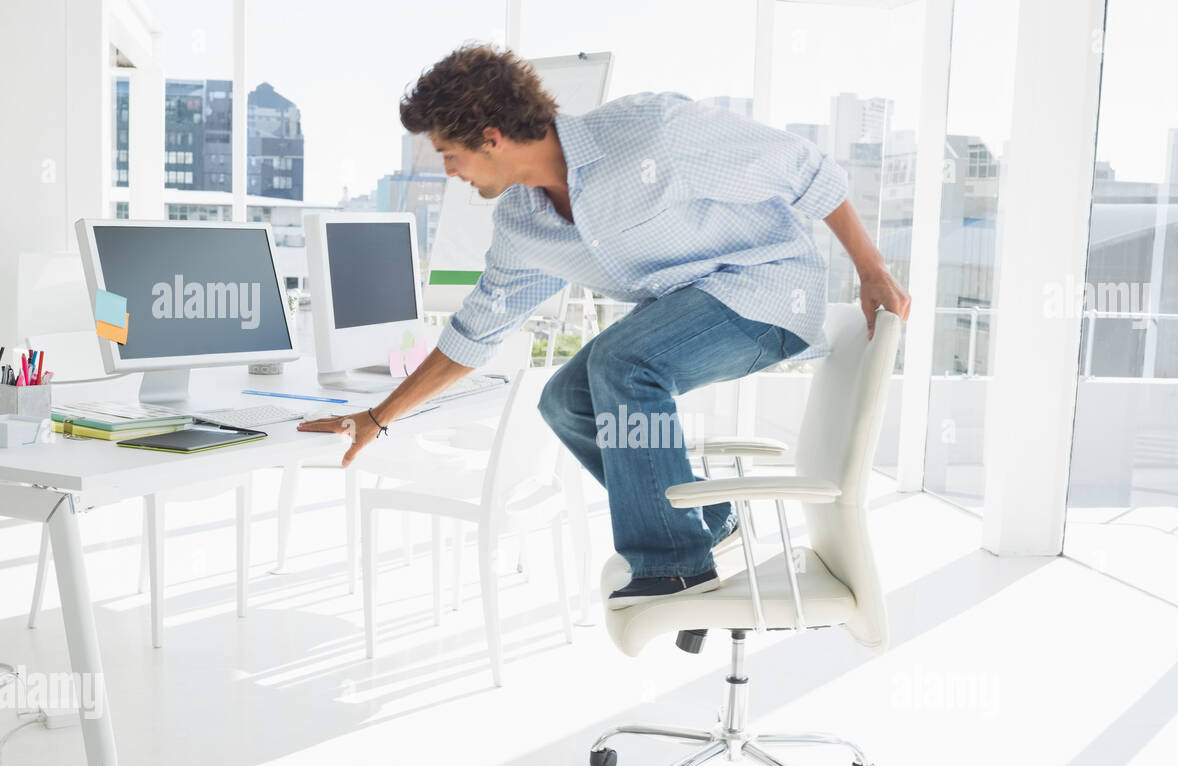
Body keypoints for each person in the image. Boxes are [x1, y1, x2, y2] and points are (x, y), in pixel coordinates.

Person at [299, 43, 910, 609]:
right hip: (695, 306)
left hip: (771, 288)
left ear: (490, 138)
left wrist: (872, 269)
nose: (449, 172)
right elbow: (475, 331)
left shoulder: (650, 133)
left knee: (621, 364)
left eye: (449, 155)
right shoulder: (522, 222)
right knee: (566, 400)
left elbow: (804, 168)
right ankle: (709, 517)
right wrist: (378, 416)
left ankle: (677, 565)